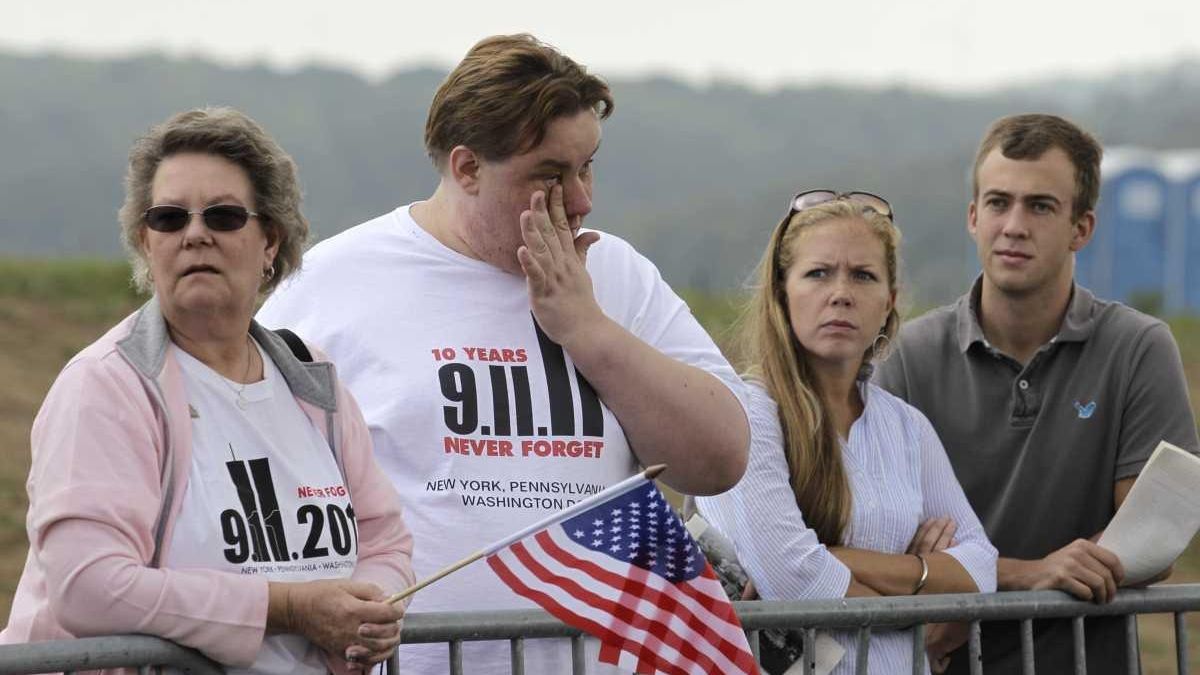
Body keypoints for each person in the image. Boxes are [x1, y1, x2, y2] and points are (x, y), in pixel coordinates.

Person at [256, 34, 750, 673]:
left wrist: (589, 331)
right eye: (549, 175)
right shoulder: (331, 284)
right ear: (466, 169)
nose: (581, 200)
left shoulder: (616, 274)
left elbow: (721, 459)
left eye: (587, 166)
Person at [1, 107, 414, 674]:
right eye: (169, 218)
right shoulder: (105, 385)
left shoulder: (310, 377)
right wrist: (289, 608)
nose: (195, 234)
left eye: (222, 216)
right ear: (147, 243)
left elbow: (386, 541)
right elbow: (87, 585)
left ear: (271, 240)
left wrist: (363, 614)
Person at [874, 113, 1200, 673]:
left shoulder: (1138, 347)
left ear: (1082, 228)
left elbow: (1152, 536)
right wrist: (1034, 572)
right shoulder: (907, 356)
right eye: (999, 203)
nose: (1014, 225)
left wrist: (959, 577)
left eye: (1041, 206)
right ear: (973, 218)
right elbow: (882, 545)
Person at [696, 191, 997, 674]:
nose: (841, 292)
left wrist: (834, 558)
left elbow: (981, 570)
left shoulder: (907, 427)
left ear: (889, 302)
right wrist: (924, 600)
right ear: (781, 293)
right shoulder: (746, 413)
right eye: (818, 273)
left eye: (863, 275)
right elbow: (792, 578)